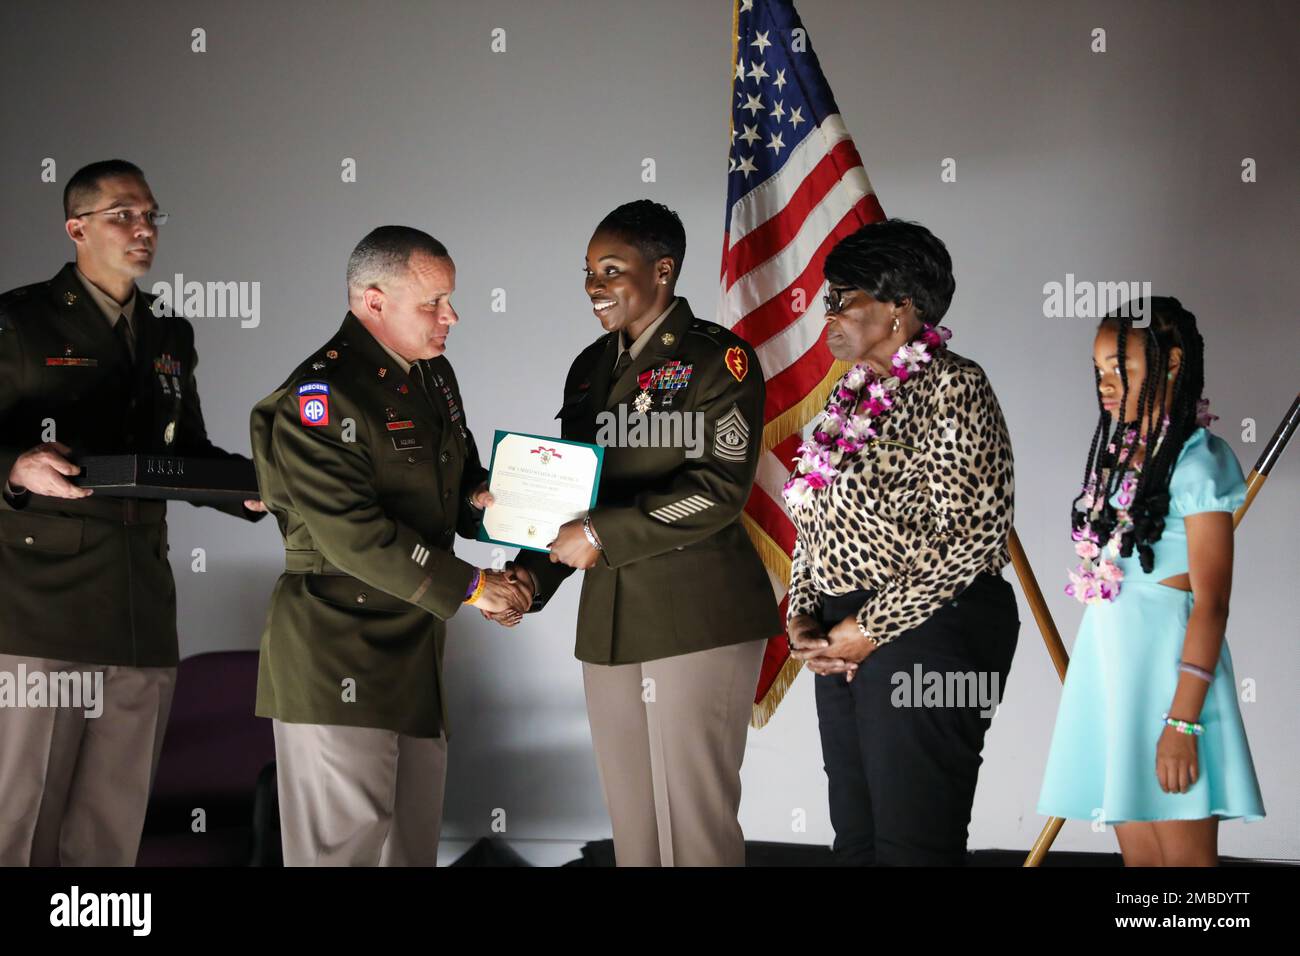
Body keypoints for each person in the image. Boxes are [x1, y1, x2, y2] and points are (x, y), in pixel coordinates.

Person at [487, 200, 781, 866]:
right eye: (589, 271)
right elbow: (572, 496)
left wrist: (600, 531)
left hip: (698, 614)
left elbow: (718, 492)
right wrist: (533, 575)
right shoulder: (589, 368)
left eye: (611, 269)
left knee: (694, 824)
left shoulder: (719, 361)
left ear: (664, 270)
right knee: (635, 829)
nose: (594, 286)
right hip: (612, 620)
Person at [0, 159, 266, 866]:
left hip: (140, 609)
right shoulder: (16, 322)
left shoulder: (168, 335)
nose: (143, 229)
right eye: (123, 214)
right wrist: (15, 466)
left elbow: (183, 450)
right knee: (19, 829)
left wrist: (254, 487)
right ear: (76, 228)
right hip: (39, 611)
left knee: (109, 836)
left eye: (151, 216)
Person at [250, 225, 529, 866]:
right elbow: (353, 534)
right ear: (373, 302)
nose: (451, 316)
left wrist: (514, 506)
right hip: (335, 644)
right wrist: (477, 587)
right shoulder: (317, 397)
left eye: (450, 300)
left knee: (407, 851)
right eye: (433, 302)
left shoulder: (434, 376)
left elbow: (459, 492)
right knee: (341, 854)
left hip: (415, 643)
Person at [784, 218, 1018, 865]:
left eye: (843, 298)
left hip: (931, 632)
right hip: (840, 632)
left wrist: (870, 626)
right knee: (856, 845)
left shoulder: (952, 387)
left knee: (914, 847)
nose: (826, 313)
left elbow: (973, 536)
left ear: (899, 308)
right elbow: (814, 521)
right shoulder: (850, 399)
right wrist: (804, 616)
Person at [1037, 297, 1265, 865]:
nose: (1106, 384)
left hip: (1169, 680)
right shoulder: (1120, 456)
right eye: (1100, 370)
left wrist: (1183, 721)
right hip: (1113, 673)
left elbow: (1211, 603)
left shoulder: (1198, 462)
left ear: (1172, 364)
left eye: (1122, 369)